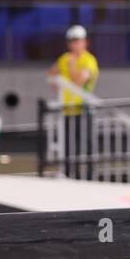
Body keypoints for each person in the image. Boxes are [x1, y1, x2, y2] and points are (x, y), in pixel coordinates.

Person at [48, 25, 99, 177]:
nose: (74, 44)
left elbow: (78, 81)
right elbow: (51, 74)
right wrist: (56, 85)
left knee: (85, 145)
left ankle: (89, 176)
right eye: (71, 41)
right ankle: (71, 175)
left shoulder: (89, 60)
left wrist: (71, 68)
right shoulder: (64, 58)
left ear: (85, 42)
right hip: (67, 109)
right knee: (69, 146)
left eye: (77, 41)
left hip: (83, 109)